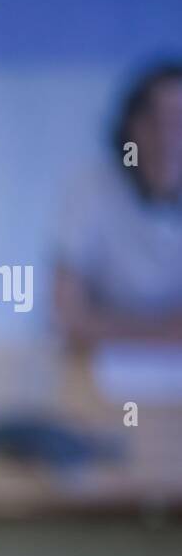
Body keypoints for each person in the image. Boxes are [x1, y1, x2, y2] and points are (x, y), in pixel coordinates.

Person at [54, 63, 182, 346]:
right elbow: (68, 316)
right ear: (131, 127)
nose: (167, 139)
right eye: (156, 122)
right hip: (97, 367)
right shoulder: (91, 189)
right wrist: (163, 332)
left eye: (178, 123)